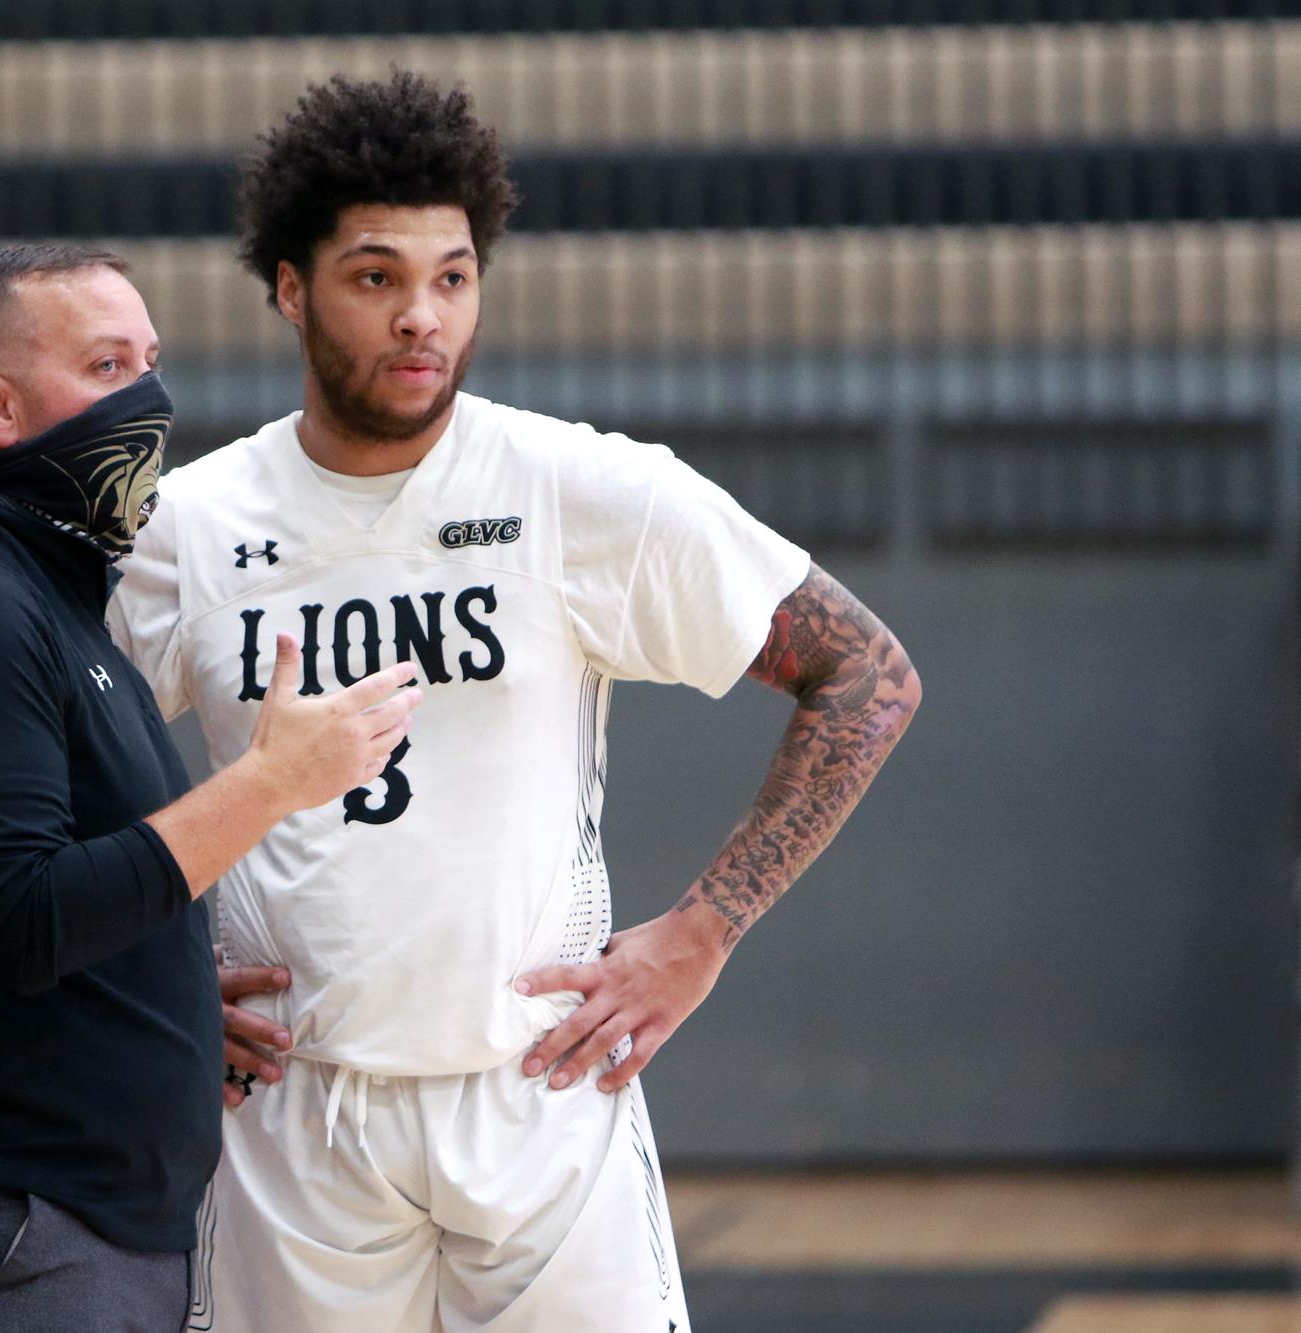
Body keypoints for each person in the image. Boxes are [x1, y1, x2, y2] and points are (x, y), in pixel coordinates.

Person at [108, 72, 923, 1332]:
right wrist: (145, 973)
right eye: (374, 276)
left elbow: (866, 676)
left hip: (539, 1089)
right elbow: (46, 768)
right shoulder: (187, 529)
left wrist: (702, 931)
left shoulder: (576, 489)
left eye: (452, 276)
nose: (420, 315)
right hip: (289, 1114)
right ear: (289, 288)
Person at [0, 242, 421, 1332]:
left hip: (52, 1231)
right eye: (104, 366)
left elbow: (33, 902)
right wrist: (273, 781)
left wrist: (154, 988)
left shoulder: (45, 602)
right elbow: (25, 918)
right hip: (3, 1235)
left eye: (150, 362)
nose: (147, 399)